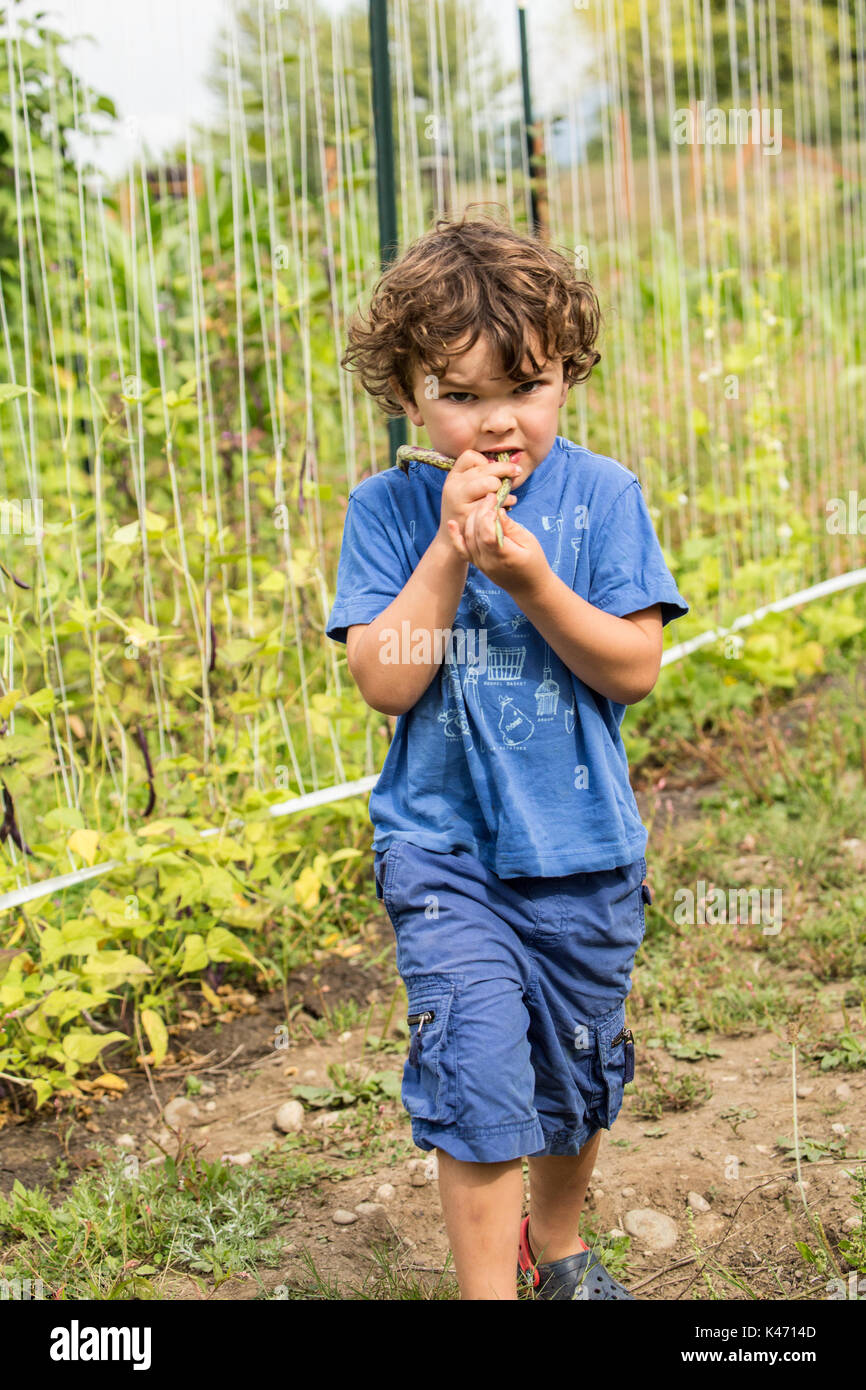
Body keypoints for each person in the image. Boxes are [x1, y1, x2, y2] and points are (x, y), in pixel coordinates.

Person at [325, 211, 689, 1300]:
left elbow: (630, 667)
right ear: (404, 395)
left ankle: (559, 1245)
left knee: (572, 1082)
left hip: (580, 853)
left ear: (566, 375)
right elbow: (388, 679)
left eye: (522, 388)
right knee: (478, 1074)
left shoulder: (600, 497)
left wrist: (533, 582)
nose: (493, 425)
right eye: (458, 395)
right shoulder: (388, 511)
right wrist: (446, 549)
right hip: (442, 859)